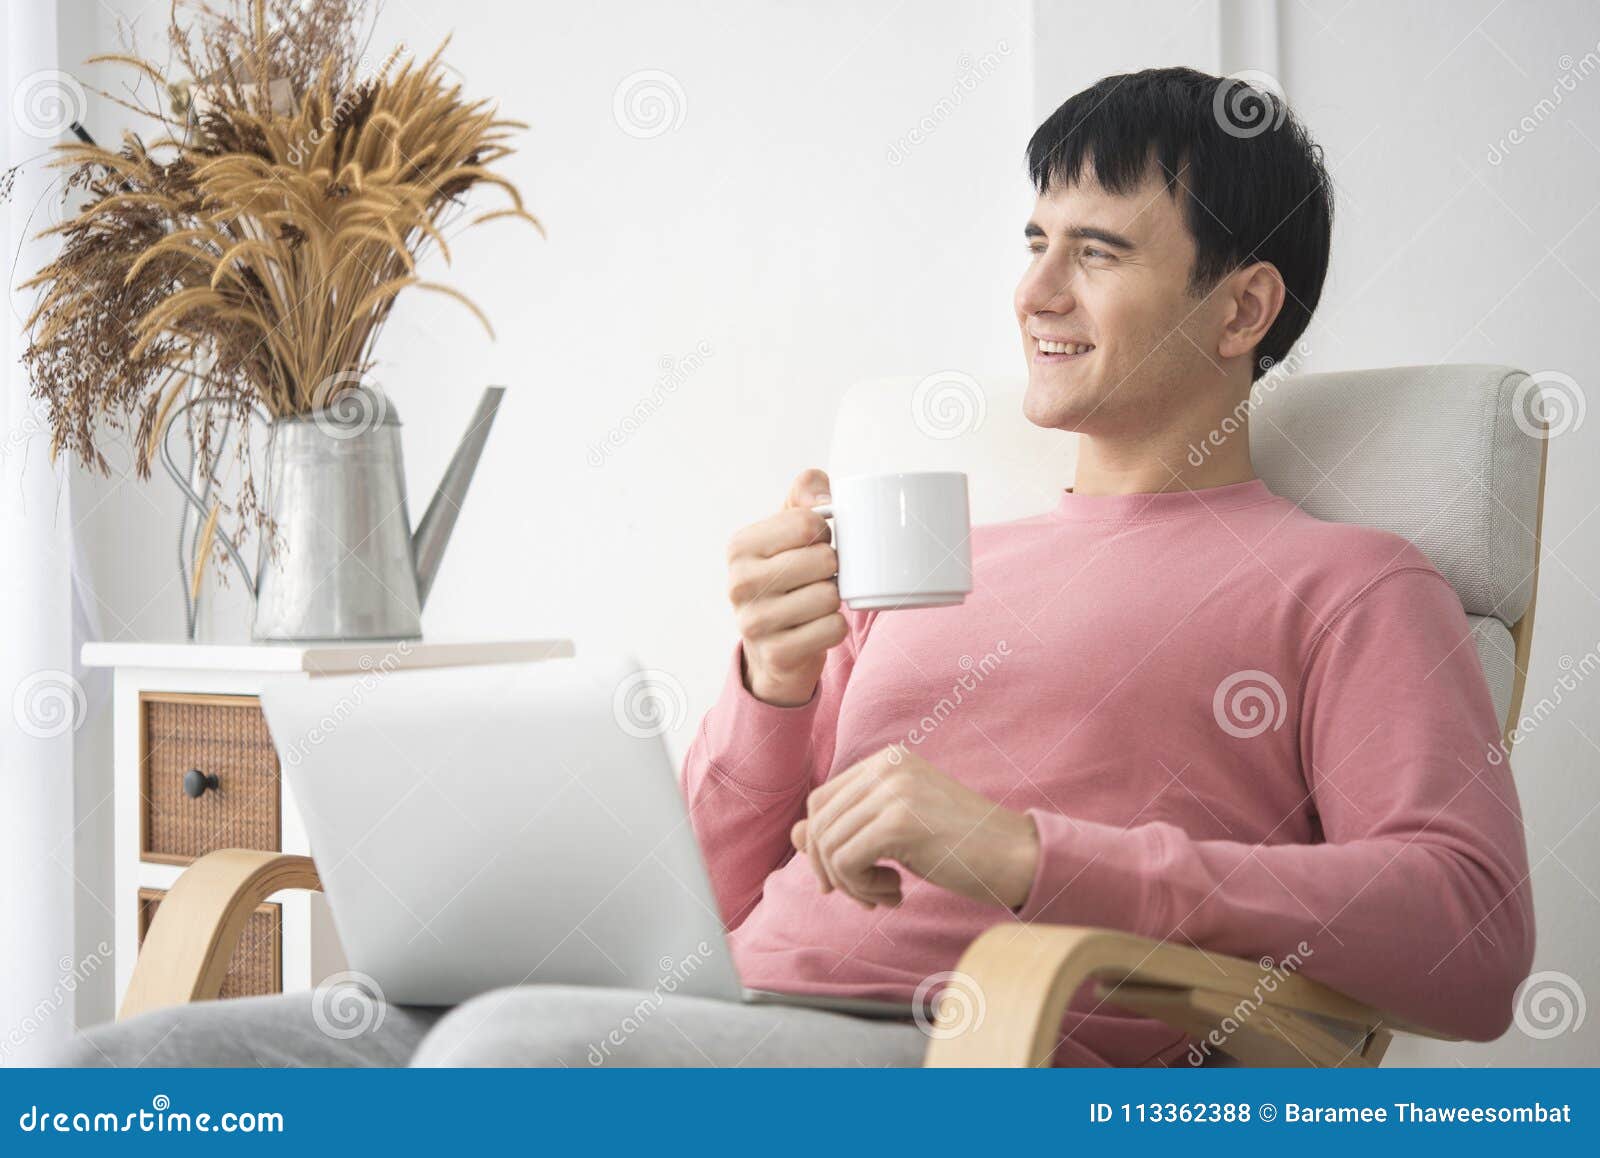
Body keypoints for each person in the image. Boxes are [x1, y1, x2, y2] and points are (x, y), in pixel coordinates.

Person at [47, 66, 1533, 1069]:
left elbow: (1471, 933)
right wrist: (770, 683)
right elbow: (691, 897)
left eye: (1097, 250)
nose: (1031, 291)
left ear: (1239, 307)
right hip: (711, 1004)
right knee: (144, 1067)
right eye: (1029, 239)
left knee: (507, 1055)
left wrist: (1029, 853)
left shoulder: (1351, 585)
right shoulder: (937, 561)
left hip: (962, 1047)